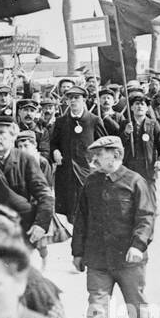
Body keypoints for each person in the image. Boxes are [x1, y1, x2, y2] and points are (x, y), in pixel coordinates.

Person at [71, 136, 155, 318]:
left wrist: (138, 245)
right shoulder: (91, 182)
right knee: (96, 309)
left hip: (129, 260)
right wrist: (77, 253)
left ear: (116, 155)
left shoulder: (135, 181)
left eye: (100, 154)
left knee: (136, 308)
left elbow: (146, 217)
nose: (95, 159)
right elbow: (81, 219)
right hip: (97, 259)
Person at [0, 114, 55, 257]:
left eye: (2, 133)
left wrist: (41, 224)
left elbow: (45, 195)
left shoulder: (25, 160)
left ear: (13, 136)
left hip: (23, 226)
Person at [50, 86, 106, 226]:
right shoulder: (61, 122)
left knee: (89, 207)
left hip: (87, 171)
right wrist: (55, 152)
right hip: (67, 172)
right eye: (70, 98)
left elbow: (103, 144)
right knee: (71, 211)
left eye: (77, 98)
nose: (73, 101)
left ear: (84, 100)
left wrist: (98, 162)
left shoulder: (94, 120)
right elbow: (53, 144)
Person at [119, 92, 160, 205]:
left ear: (147, 108)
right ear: (131, 107)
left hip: (147, 167)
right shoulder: (125, 123)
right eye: (136, 104)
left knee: (149, 199)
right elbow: (118, 145)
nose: (139, 106)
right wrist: (125, 133)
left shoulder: (153, 124)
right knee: (129, 199)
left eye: (142, 104)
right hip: (129, 166)